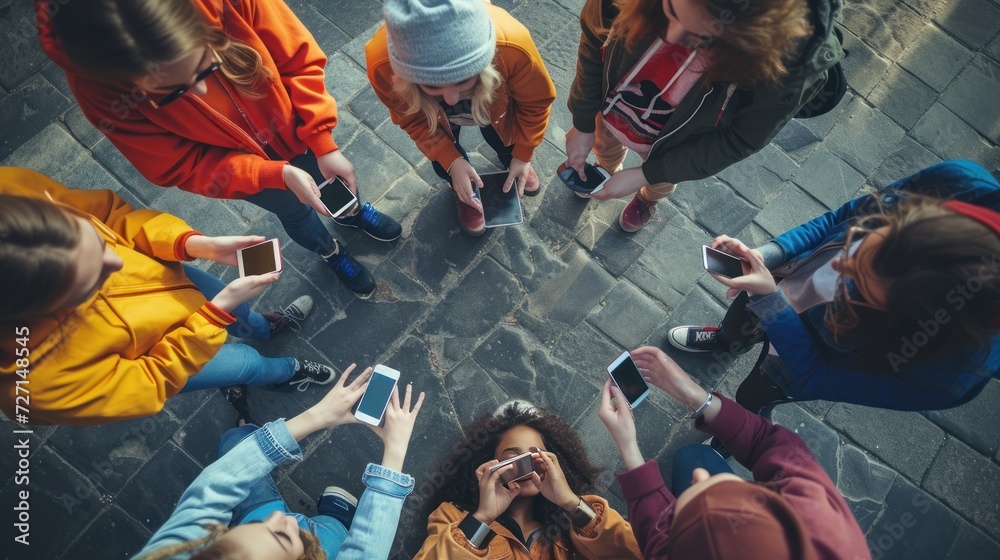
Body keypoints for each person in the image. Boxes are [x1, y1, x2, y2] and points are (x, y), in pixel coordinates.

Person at [38, 0, 402, 298]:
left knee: (330, 182)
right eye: (174, 93)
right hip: (242, 170)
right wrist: (271, 174)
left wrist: (321, 138)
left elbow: (297, 57)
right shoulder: (98, 88)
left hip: (297, 132)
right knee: (294, 212)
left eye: (205, 67)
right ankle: (331, 252)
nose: (198, 92)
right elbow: (179, 164)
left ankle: (351, 213)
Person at [0, 167, 336, 426]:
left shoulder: (9, 193)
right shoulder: (33, 388)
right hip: (164, 355)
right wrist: (213, 316)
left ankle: (265, 328)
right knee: (247, 362)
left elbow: (111, 216)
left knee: (241, 312)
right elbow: (149, 381)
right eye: (93, 280)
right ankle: (284, 374)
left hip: (169, 279)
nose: (117, 260)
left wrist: (189, 244)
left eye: (99, 244)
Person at [667, 160, 1000, 412]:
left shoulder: (943, 378)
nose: (838, 265)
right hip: (776, 284)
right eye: (863, 240)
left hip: (803, 356)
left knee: (752, 397)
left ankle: (741, 433)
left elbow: (816, 375)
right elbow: (847, 214)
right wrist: (768, 256)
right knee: (738, 326)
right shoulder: (958, 183)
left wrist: (770, 300)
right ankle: (728, 342)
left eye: (859, 284)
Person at [565, 0, 844, 232]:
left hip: (674, 147)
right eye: (669, 9)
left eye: (698, 38)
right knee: (604, 143)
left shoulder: (788, 69)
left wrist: (646, 175)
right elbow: (594, 36)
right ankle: (605, 171)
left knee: (659, 182)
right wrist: (583, 119)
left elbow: (739, 140)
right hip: (613, 108)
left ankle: (647, 198)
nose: (670, 37)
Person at [598, 348, 870, 559]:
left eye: (679, 519)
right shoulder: (819, 514)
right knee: (694, 458)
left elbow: (655, 541)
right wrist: (696, 396)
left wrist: (630, 447)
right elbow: (769, 443)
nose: (699, 476)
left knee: (693, 458)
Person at [135, 364, 425, 560]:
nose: (281, 518)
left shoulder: (169, 554)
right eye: (282, 537)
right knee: (329, 534)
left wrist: (317, 417)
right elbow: (365, 551)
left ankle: (310, 526)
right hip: (323, 548)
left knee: (236, 441)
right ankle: (336, 521)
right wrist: (395, 447)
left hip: (268, 536)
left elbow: (211, 490)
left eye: (238, 531)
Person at [366, 0, 556, 236]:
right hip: (435, 120)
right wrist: (451, 161)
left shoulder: (512, 44)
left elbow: (535, 103)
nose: (452, 99)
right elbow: (414, 121)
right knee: (446, 162)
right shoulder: (382, 64)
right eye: (431, 86)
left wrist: (523, 152)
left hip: (499, 110)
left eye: (463, 80)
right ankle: (461, 186)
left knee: (506, 138)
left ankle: (513, 162)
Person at [413, 400, 642, 559]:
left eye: (535, 455)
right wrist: (482, 518)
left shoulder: (572, 525)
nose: (527, 466)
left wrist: (571, 503)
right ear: (490, 465)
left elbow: (636, 553)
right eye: (513, 458)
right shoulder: (452, 517)